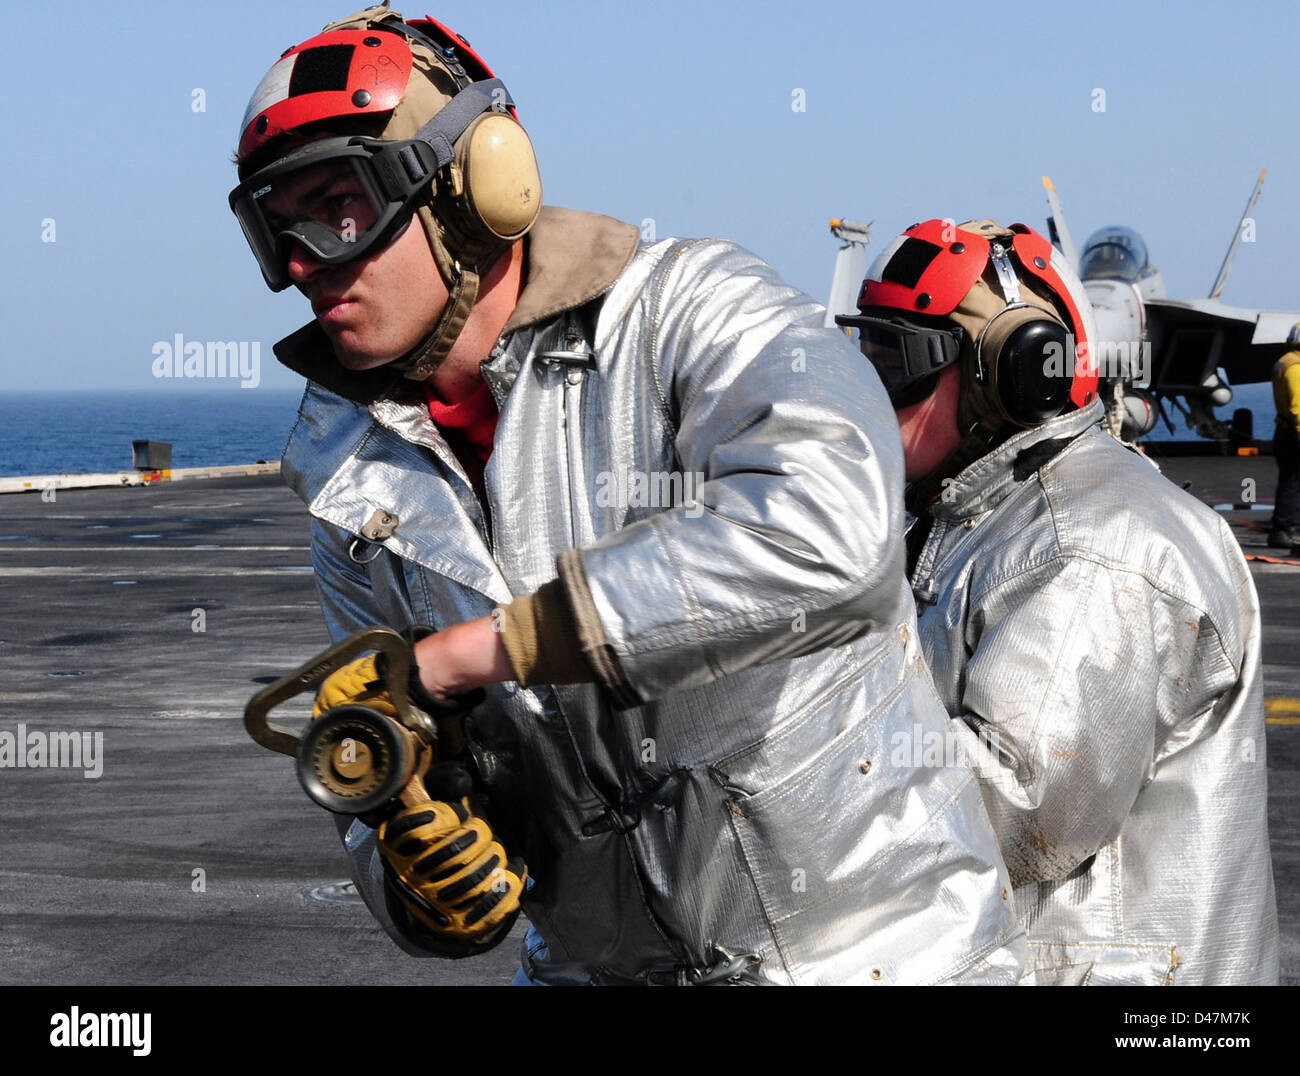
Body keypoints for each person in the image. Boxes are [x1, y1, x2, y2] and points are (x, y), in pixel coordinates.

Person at [228, 6, 1026, 984]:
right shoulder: (350, 478)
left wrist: (495, 644)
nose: (304, 258)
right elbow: (405, 797)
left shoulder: (693, 314)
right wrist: (407, 842)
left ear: (478, 183)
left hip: (876, 961)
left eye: (338, 207)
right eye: (276, 225)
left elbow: (832, 532)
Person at [837, 217, 1280, 985]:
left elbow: (1013, 807)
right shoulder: (973, 513)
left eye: (896, 362)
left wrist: (790, 762)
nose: (872, 392)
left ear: (1013, 372)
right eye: (866, 353)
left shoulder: (1093, 551)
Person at [1269, 323, 1300, 548]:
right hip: (1294, 432)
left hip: (1285, 430)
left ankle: (1286, 528)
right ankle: (1284, 531)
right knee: (1292, 483)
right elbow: (1298, 407)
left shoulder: (1285, 361)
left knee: (1291, 482)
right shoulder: (1296, 367)